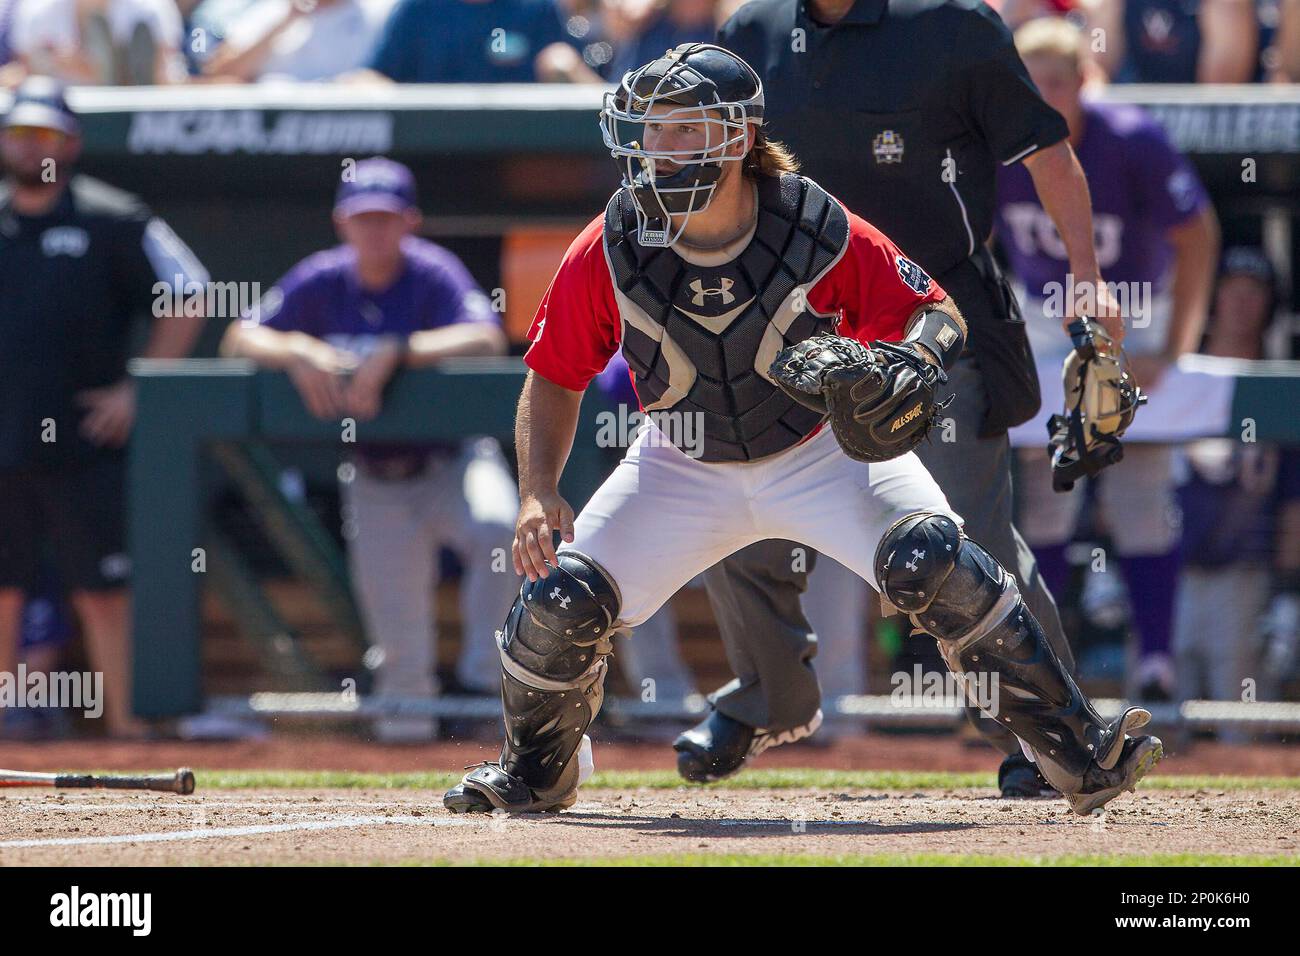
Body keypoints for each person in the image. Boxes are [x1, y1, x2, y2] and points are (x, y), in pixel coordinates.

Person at [442, 43, 1162, 816]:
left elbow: (935, 311)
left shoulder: (810, 221)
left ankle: (1076, 749)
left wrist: (915, 361)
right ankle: (537, 770)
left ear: (740, 138)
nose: (660, 150)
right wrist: (537, 492)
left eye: (685, 131)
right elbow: (552, 373)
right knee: (560, 602)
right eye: (652, 131)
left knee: (938, 562)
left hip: (822, 450)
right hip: (682, 461)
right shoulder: (614, 239)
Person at [678, 0, 1120, 798]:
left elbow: (1047, 153)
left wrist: (1086, 279)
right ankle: (766, 700)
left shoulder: (955, 25)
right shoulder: (751, 32)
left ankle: (1041, 732)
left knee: (969, 538)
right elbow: (712, 172)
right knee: (733, 505)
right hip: (787, 327)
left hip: (933, 322)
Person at [220, 157, 519, 742]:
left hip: (453, 458)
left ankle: (486, 689)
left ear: (410, 221)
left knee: (499, 529)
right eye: (364, 219)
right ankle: (407, 750)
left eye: (386, 218)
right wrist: (299, 349)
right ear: (342, 222)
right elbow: (240, 336)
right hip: (376, 474)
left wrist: (400, 349)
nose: (375, 230)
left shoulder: (432, 271)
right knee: (401, 661)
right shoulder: (323, 277)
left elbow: (485, 336)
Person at [996, 17, 1218, 701]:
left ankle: (1154, 662)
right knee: (1042, 492)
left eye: (1058, 81)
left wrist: (1177, 347)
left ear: (1084, 81)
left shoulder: (1131, 138)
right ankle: (1044, 667)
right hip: (1040, 313)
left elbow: (1199, 234)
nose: (1045, 94)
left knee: (1141, 483)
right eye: (1031, 82)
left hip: (1137, 309)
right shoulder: (995, 143)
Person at [0, 77, 207, 737]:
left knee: (103, 590)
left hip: (85, 443)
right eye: (20, 133)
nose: (33, 148)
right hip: (2, 443)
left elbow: (191, 291)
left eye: (47, 136)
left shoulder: (112, 216)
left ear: (73, 143)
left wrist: (139, 389)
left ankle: (130, 733)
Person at [1174, 248, 1300, 727]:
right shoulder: (1176, 372)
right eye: (1233, 289)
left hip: (1245, 579)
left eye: (1256, 291)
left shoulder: (1278, 381)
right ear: (1212, 297)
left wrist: (1288, 593)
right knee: (1156, 717)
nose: (1244, 302)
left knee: (1241, 723)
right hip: (1171, 573)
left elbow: (1293, 501)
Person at [352, 0, 573, 83]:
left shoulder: (539, 8)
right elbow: (378, 76)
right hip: (433, 157)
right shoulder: (417, 9)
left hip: (523, 162)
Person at [201, 0, 396, 82]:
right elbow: (220, 74)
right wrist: (288, 19)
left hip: (349, 138)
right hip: (272, 143)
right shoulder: (273, 10)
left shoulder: (382, 13)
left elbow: (393, 82)